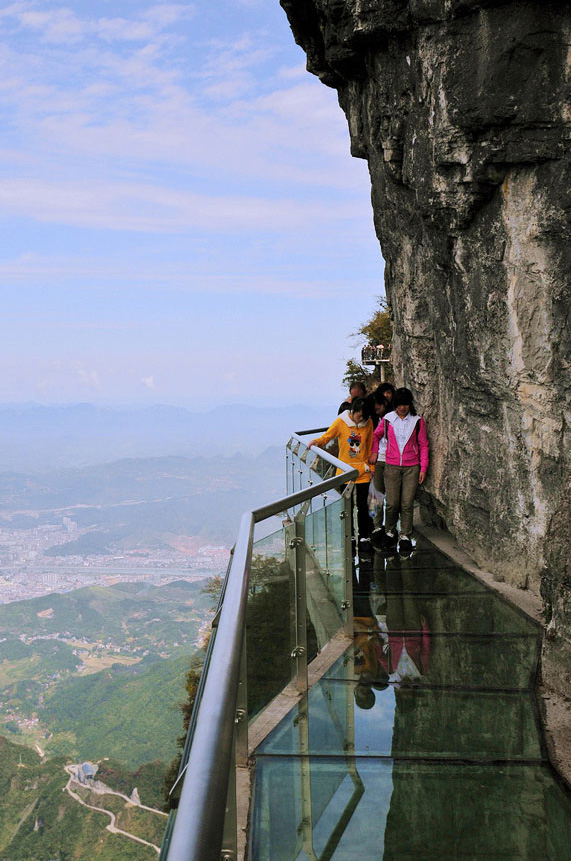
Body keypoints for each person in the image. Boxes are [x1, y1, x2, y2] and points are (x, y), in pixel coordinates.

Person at [368, 387, 429, 554]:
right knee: (390, 502)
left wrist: (423, 467)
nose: (403, 408)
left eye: (406, 404)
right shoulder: (388, 419)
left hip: (411, 466)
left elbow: (423, 445)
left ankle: (405, 535)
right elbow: (376, 435)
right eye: (400, 404)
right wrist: (374, 451)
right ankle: (386, 530)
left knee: (406, 503)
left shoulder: (417, 421)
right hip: (390, 465)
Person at [309, 397, 374, 549]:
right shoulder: (341, 422)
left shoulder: (368, 423)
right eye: (359, 416)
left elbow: (371, 446)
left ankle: (364, 536)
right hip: (345, 472)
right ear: (353, 411)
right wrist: (317, 442)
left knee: (363, 506)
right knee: (348, 506)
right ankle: (349, 535)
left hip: (363, 471)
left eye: (364, 417)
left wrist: (372, 468)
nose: (361, 419)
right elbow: (327, 436)